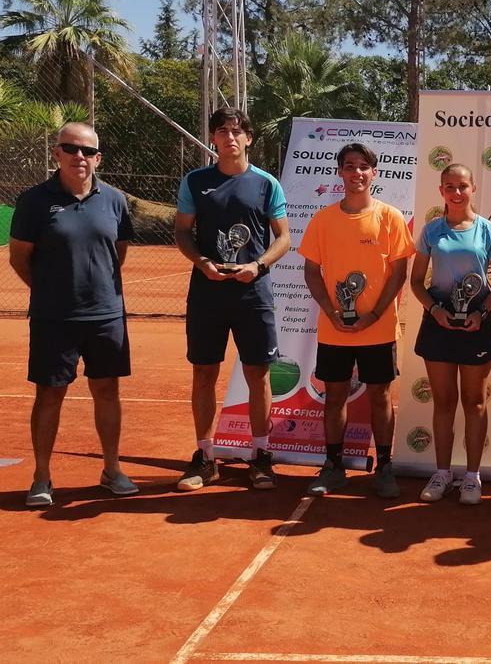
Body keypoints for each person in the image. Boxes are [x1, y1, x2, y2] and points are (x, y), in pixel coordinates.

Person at [8, 122, 139, 507]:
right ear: (57, 153)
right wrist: (51, 292)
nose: (79, 156)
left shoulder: (114, 200)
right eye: (70, 148)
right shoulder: (34, 201)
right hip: (53, 318)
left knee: (107, 391)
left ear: (98, 159)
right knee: (49, 394)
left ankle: (112, 470)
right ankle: (42, 477)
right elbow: (19, 258)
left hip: (106, 315)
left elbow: (118, 252)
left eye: (88, 151)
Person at [173, 107, 290, 491]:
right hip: (207, 290)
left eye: (237, 131)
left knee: (258, 374)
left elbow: (284, 238)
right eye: (222, 131)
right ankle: (205, 457)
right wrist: (202, 262)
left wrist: (258, 265)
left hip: (252, 292)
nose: (230, 137)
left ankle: (261, 455)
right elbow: (183, 232)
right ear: (213, 138)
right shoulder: (195, 181)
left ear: (248, 138)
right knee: (204, 373)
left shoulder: (267, 184)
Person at [298, 143, 415, 499]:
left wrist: (375, 314)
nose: (357, 173)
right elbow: (312, 271)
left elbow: (399, 273)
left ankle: (385, 468)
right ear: (340, 172)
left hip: (378, 329)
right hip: (335, 329)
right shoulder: (323, 220)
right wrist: (331, 311)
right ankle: (333, 467)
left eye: (364, 166)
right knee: (334, 396)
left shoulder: (390, 217)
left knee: (380, 396)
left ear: (374, 173)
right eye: (350, 166)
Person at [410, 164, 491, 505]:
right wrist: (433, 309)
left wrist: (482, 313)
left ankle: (472, 477)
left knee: (475, 402)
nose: (456, 193)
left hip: (477, 325)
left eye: (462, 186)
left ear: (473, 189)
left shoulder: (489, 231)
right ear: (441, 190)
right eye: (449, 187)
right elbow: (416, 281)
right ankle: (442, 473)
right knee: (443, 403)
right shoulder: (431, 231)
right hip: (438, 323)